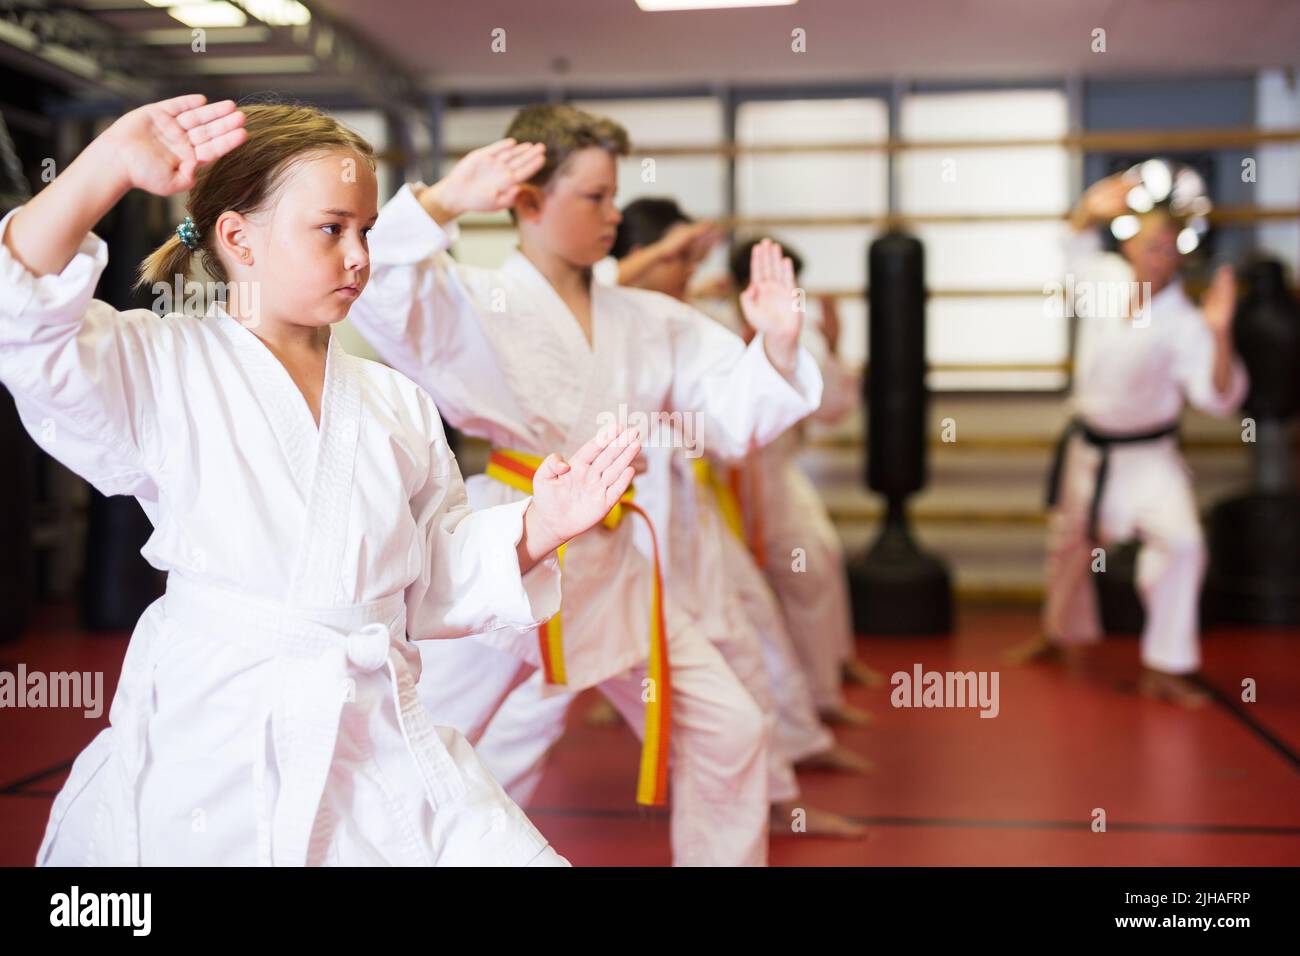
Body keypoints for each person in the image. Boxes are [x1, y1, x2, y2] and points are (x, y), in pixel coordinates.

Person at [0, 95, 640, 865]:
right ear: (239, 238)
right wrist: (104, 167)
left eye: (365, 231)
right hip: (221, 738)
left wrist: (542, 525)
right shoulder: (164, 366)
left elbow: (429, 578)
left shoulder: (394, 399)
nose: (360, 256)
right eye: (332, 229)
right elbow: (22, 319)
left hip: (377, 729)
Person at [349, 105, 826, 865]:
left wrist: (776, 343)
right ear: (529, 203)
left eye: (614, 196)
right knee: (415, 736)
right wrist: (441, 201)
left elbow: (730, 414)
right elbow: (375, 282)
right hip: (514, 542)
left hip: (611, 560)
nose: (614, 215)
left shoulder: (648, 318)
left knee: (729, 728)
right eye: (594, 197)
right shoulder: (474, 297)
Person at [1007, 171, 1248, 708]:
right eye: (1149, 244)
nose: (1159, 256)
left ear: (1179, 256)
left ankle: (1165, 664)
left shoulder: (1185, 321)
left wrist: (1221, 332)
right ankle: (1057, 634)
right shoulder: (1104, 280)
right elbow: (1071, 248)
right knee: (1069, 548)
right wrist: (1088, 209)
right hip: (1089, 451)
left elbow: (1220, 397)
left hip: (1149, 461)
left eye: (1168, 248)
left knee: (1184, 544)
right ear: (1129, 246)